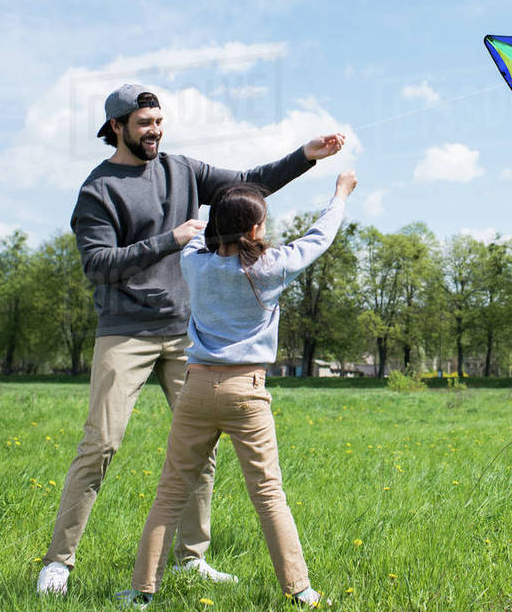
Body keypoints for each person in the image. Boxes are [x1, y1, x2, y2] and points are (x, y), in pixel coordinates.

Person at [37, 83, 346, 596]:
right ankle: (58, 562)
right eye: (144, 124)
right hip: (126, 331)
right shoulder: (98, 190)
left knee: (200, 449)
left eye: (158, 121)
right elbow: (97, 266)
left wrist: (305, 157)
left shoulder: (182, 169)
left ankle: (190, 559)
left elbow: (247, 185)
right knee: (101, 444)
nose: (155, 131)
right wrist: (169, 240)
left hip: (186, 335)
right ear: (116, 127)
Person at [117, 171, 357, 608]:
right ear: (253, 231)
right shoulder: (272, 266)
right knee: (268, 494)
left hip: (195, 388)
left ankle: (140, 592)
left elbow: (192, 236)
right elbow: (320, 236)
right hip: (247, 391)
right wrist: (340, 193)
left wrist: (198, 211)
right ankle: (300, 590)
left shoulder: (194, 262)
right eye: (262, 223)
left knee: (170, 492)